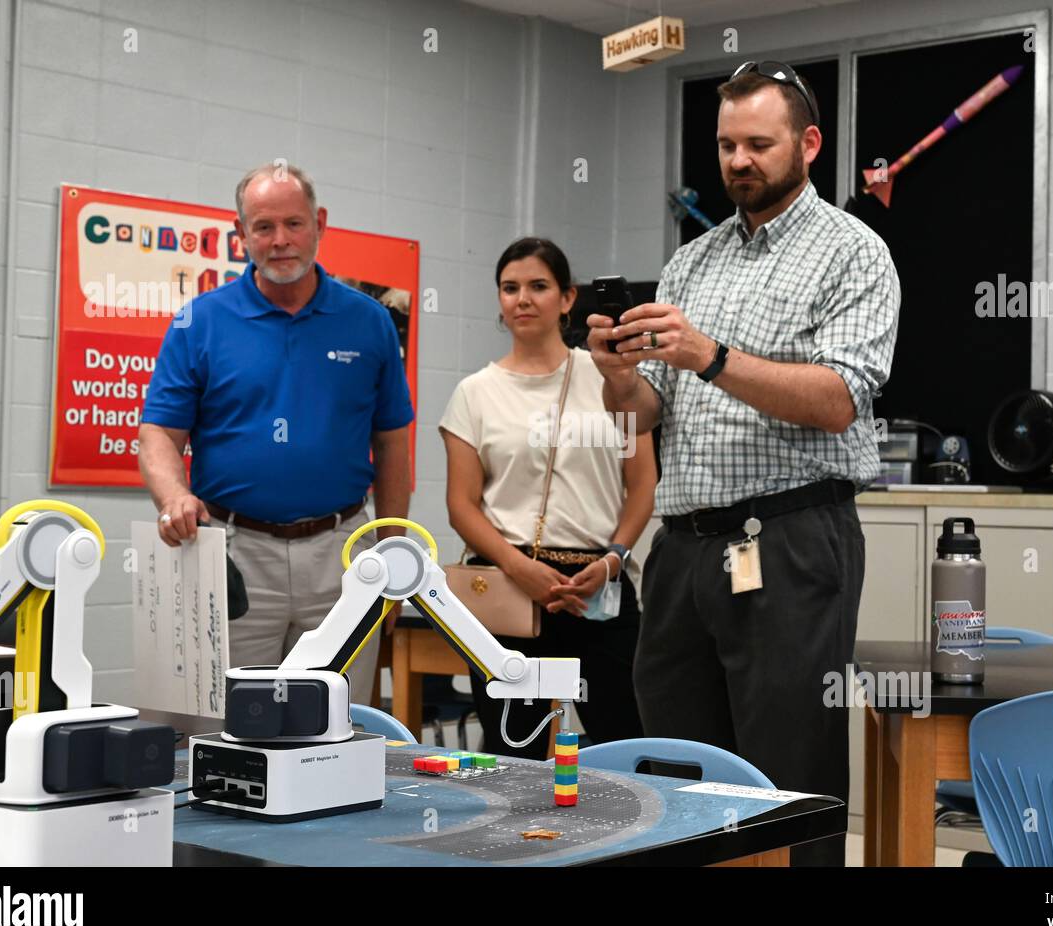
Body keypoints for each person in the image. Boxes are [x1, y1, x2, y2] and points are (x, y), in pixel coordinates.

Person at [587, 62, 900, 865]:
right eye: (727, 145)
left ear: (809, 143)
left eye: (759, 144)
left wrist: (711, 354)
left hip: (790, 542)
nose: (739, 161)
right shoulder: (692, 262)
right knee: (678, 774)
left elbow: (838, 398)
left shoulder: (852, 253)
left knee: (788, 774)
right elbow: (640, 417)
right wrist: (618, 370)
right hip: (685, 548)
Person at [138, 163, 413, 703]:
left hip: (344, 552)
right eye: (263, 227)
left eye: (294, 223)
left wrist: (394, 548)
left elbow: (392, 442)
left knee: (339, 725)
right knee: (223, 724)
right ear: (241, 233)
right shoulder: (202, 321)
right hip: (234, 554)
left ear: (320, 223)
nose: (280, 240)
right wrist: (174, 496)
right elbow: (159, 434)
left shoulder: (370, 321)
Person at [440, 237, 655, 759]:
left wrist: (613, 560)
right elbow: (462, 505)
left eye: (539, 286)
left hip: (597, 585)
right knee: (513, 752)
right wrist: (520, 568)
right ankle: (518, 843)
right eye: (510, 288)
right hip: (508, 587)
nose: (523, 299)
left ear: (567, 298)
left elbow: (643, 484)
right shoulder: (474, 392)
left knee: (626, 744)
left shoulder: (611, 375)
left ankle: (623, 843)